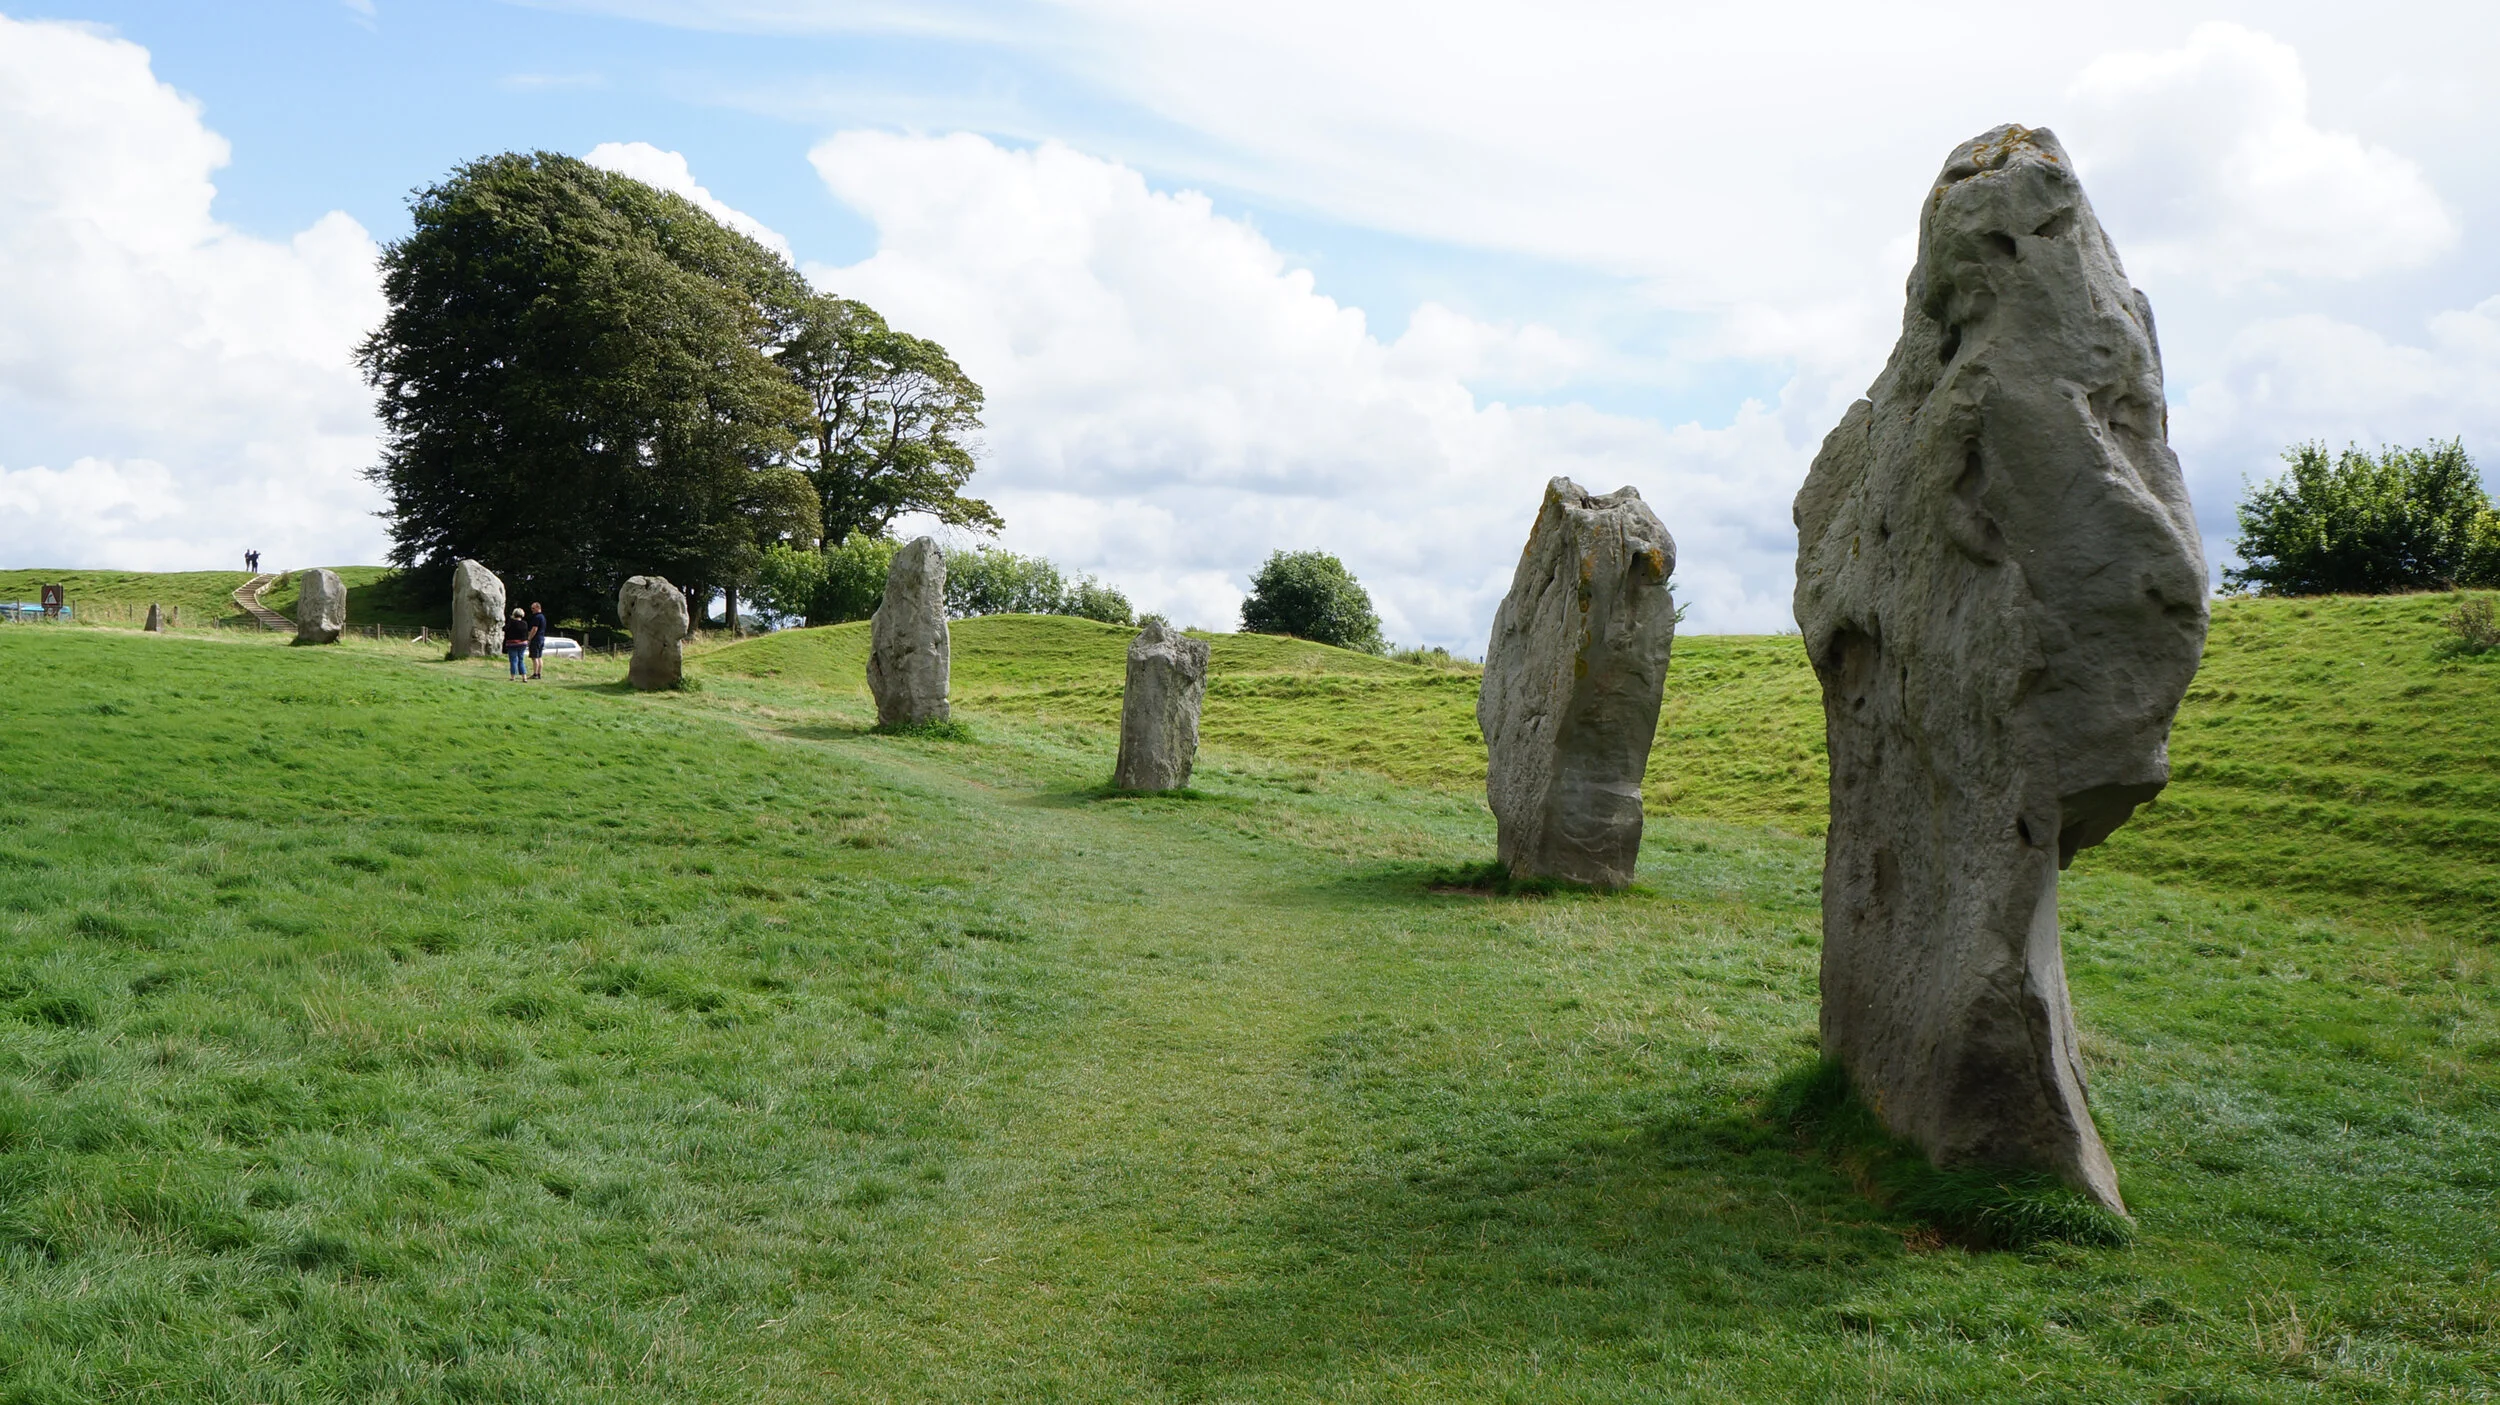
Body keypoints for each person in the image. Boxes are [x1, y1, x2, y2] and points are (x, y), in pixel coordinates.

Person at [502, 606, 531, 679]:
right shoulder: (524, 623)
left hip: (512, 643)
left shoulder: (511, 622)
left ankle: (513, 676)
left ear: (514, 614)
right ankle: (524, 677)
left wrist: (510, 620)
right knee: (521, 660)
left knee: (513, 660)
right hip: (522, 643)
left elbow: (504, 629)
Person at [527, 601, 550, 680]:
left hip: (536, 639)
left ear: (538, 608)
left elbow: (534, 628)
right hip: (541, 638)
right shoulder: (543, 617)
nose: (532, 610)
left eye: (533, 608)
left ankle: (535, 674)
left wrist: (529, 638)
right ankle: (539, 673)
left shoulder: (537, 617)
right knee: (539, 657)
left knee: (534, 657)